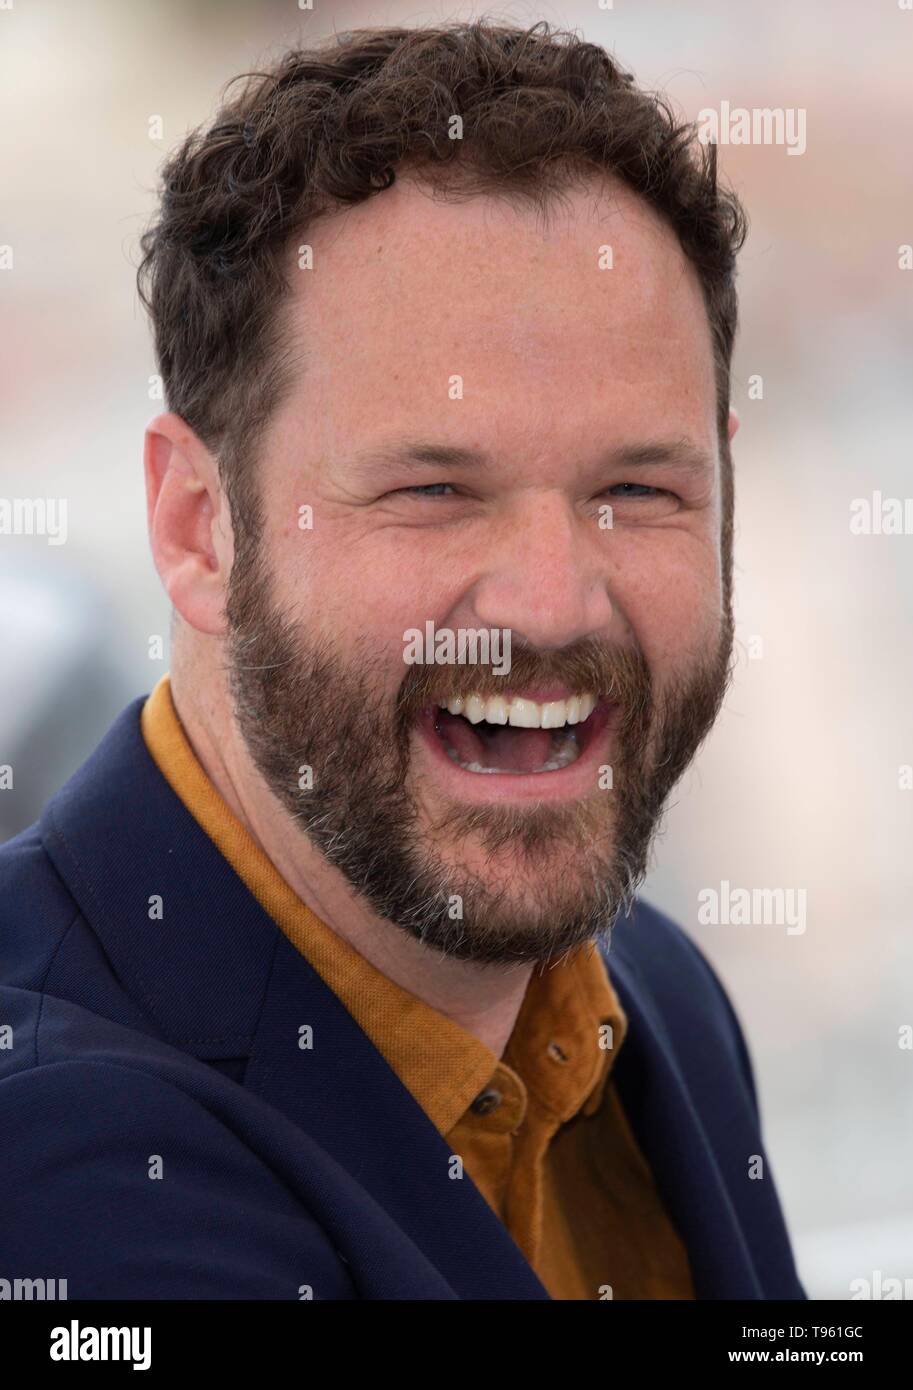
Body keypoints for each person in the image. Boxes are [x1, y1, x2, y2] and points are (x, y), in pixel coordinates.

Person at [0, 20, 805, 1300]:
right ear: (196, 526)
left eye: (638, 488)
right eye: (433, 487)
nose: (551, 603)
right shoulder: (56, 1161)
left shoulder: (647, 991)